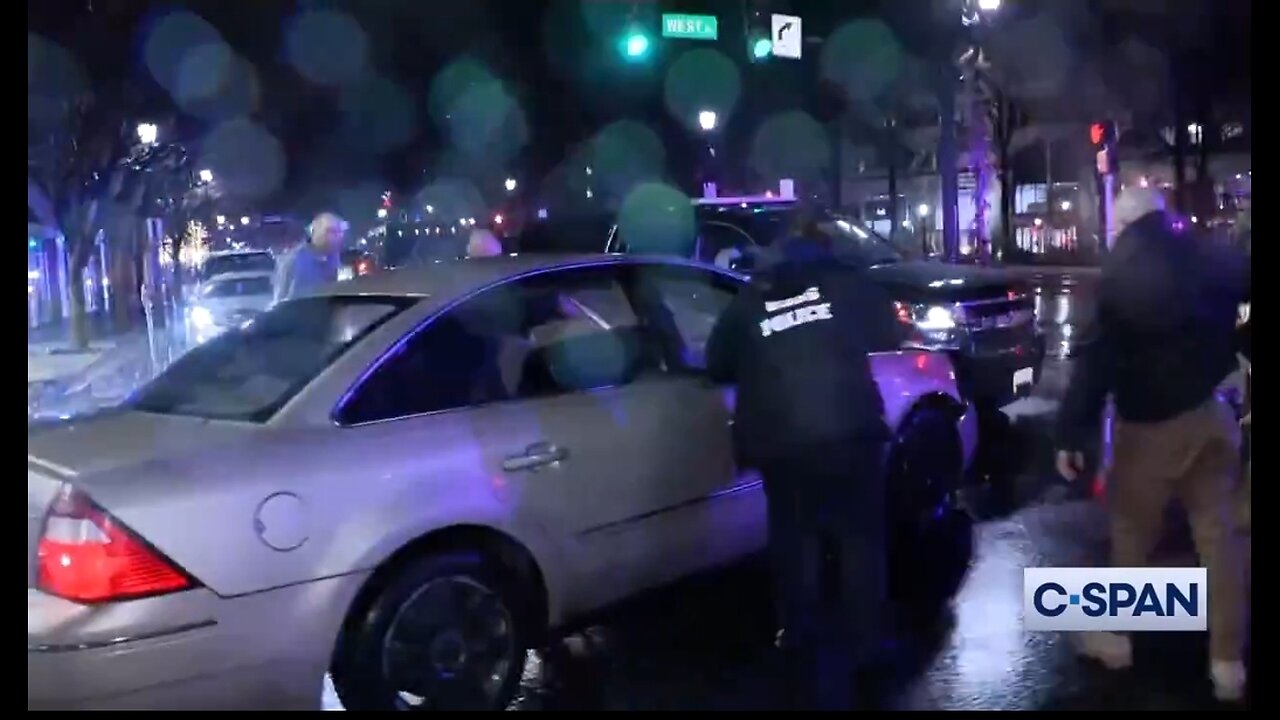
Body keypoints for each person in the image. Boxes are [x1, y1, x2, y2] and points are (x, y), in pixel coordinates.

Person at [1056, 186, 1251, 702]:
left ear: (1121, 225)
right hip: (1211, 415)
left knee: (1130, 533)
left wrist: (1071, 433)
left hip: (1149, 428)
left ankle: (1117, 639)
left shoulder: (1119, 273)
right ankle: (1228, 664)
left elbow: (1095, 362)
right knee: (1218, 538)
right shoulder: (1208, 254)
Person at [705, 207, 901, 710]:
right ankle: (864, 644)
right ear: (825, 246)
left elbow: (716, 361)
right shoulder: (847, 283)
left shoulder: (754, 294)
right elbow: (888, 332)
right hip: (849, 431)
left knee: (795, 539)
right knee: (859, 540)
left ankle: (799, 635)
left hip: (782, 442)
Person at [272, 212, 346, 305]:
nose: (337, 237)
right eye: (331, 231)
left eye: (339, 232)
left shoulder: (337, 259)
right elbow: (279, 300)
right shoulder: (292, 260)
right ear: (315, 231)